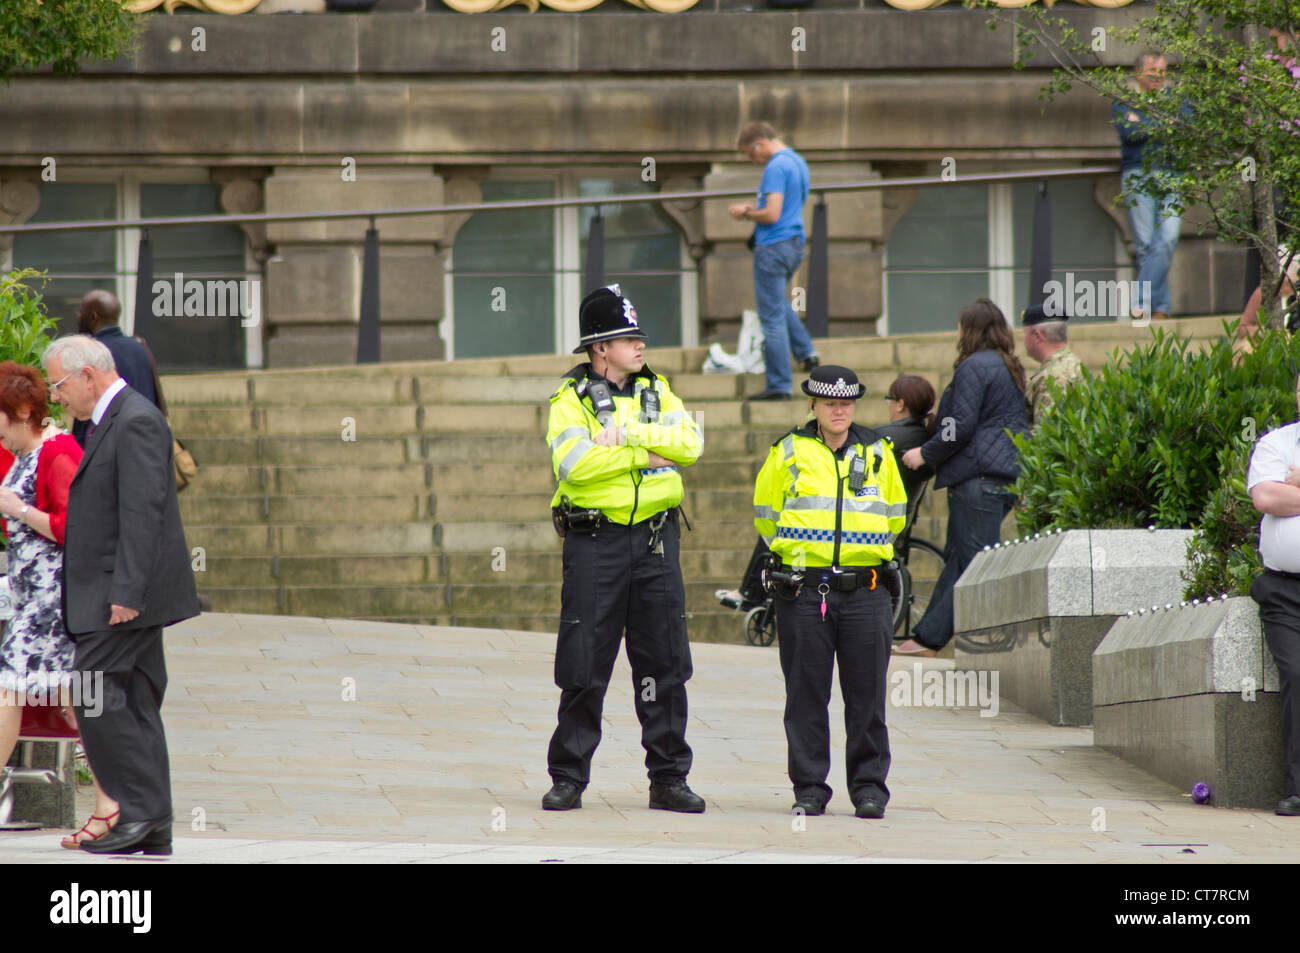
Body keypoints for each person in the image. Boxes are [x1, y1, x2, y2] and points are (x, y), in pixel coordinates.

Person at [542, 285, 706, 813]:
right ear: (599, 348)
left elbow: (690, 446)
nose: (640, 346)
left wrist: (623, 437)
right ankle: (569, 776)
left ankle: (669, 779)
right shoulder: (569, 401)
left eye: (639, 337)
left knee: (665, 664)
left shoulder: (661, 391)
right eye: (627, 338)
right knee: (584, 663)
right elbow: (576, 466)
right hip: (597, 542)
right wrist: (646, 453)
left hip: (657, 541)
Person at [42, 335, 200, 855]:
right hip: (115, 588)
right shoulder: (114, 419)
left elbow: (142, 512)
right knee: (133, 702)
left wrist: (127, 591)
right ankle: (152, 824)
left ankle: (141, 812)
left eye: (60, 384)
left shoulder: (134, 420)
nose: (57, 396)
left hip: (123, 593)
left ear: (89, 376)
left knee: (94, 692)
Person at [753, 365, 908, 818]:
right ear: (814, 406)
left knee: (867, 696)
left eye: (846, 403)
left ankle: (868, 788)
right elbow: (766, 512)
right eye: (829, 403)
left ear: (854, 405)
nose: (839, 410)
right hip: (804, 591)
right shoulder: (788, 451)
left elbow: (895, 512)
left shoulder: (878, 450)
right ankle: (809, 788)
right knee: (805, 694)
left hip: (866, 589)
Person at [0, 363, 115, 847]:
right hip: (41, 597)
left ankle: (111, 803)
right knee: (70, 701)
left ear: (24, 412)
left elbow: (74, 528)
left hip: (55, 599)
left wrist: (17, 509)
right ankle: (110, 804)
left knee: (18, 690)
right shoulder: (32, 450)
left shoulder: (57, 451)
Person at [895, 298, 1030, 657]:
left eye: (959, 325)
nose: (956, 332)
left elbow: (961, 426)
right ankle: (927, 639)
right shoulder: (1009, 366)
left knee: (971, 567)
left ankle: (991, 641)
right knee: (958, 559)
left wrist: (925, 452)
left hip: (978, 479)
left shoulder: (973, 367)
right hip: (1003, 477)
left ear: (970, 329)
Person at [729, 121, 818, 401]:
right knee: (778, 303)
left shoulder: (776, 167)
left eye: (750, 154)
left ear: (759, 144)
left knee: (771, 318)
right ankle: (807, 353)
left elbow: (772, 214)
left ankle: (779, 385)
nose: (752, 160)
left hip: (773, 246)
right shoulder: (798, 162)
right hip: (793, 243)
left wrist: (745, 212)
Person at [1246, 376, 1300, 816]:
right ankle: (1299, 788)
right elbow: (1265, 496)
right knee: (1297, 674)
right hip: (1285, 591)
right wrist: (1284, 487)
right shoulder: (1276, 443)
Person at [1112, 51, 1193, 322]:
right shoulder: (1125, 100)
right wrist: (1164, 123)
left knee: (1167, 239)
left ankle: (1141, 304)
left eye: (1162, 71)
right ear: (1138, 74)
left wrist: (1146, 123)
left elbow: (1186, 126)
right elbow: (1129, 133)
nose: (1158, 77)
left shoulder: (1177, 98)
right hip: (1138, 175)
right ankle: (1160, 310)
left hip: (1172, 175)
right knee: (1147, 246)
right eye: (1152, 71)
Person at [71, 290, 159, 447]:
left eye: (81, 312)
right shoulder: (140, 348)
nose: (78, 317)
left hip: (105, 450)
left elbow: (84, 411)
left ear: (94, 316)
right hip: (145, 442)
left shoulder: (91, 352)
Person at [874, 375, 937, 506]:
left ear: (900, 405)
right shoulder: (929, 440)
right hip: (903, 519)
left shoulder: (880, 437)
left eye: (889, 400)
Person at [1022, 304, 1084, 428]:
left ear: (1037, 336)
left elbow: (1046, 434)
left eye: (1024, 333)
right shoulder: (1076, 364)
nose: (1023, 339)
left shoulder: (1051, 377)